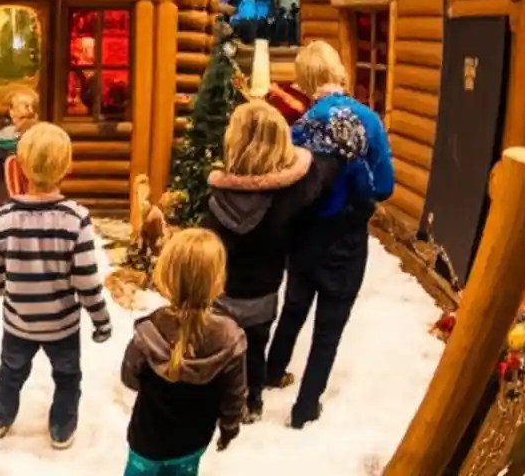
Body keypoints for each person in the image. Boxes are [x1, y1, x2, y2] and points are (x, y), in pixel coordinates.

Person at [266, 40, 394, 428]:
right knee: (329, 325)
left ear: (305, 80)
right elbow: (384, 186)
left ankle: (272, 372)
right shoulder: (369, 121)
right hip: (346, 239)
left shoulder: (300, 126)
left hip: (305, 234)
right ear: (338, 70)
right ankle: (305, 408)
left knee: (294, 307)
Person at [202, 100, 344, 422]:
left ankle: (223, 400)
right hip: (264, 295)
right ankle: (252, 401)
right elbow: (324, 169)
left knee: (223, 347)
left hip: (223, 293)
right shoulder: (290, 194)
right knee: (255, 346)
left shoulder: (216, 200)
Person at [0, 122, 111, 449]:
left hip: (17, 323)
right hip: (63, 326)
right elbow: (87, 280)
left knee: (10, 374)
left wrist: (0, 290)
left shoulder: (4, 218)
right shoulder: (75, 219)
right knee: (67, 378)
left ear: (21, 165)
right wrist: (101, 320)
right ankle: (61, 429)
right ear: (67, 168)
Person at [121, 228, 246, 475]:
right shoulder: (230, 338)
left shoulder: (148, 331)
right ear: (217, 280)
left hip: (146, 439)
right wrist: (229, 428)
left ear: (166, 275)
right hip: (193, 441)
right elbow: (235, 395)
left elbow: (129, 377)